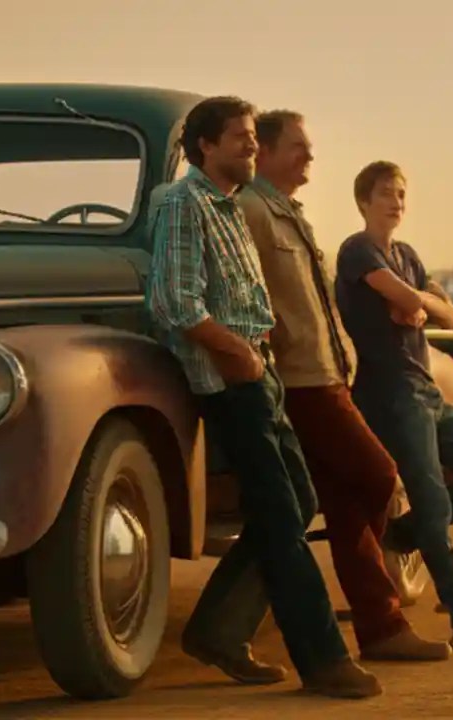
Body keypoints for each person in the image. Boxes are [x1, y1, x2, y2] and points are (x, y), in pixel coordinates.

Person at [144, 95, 381, 699]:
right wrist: (237, 350)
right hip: (228, 383)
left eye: (253, 136)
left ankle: (218, 630)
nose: (252, 146)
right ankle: (324, 661)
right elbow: (174, 302)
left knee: (299, 499)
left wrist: (261, 339)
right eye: (241, 138)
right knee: (280, 517)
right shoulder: (183, 204)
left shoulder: (228, 207)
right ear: (205, 146)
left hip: (260, 373)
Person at [232, 108, 450, 663]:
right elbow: (248, 298)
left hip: (329, 374)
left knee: (344, 505)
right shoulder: (252, 211)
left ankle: (381, 629)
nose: (309, 156)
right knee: (379, 479)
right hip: (301, 381)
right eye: (298, 147)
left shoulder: (289, 213)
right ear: (269, 152)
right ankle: (363, 615)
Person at [333, 160, 453, 651]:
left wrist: (415, 300)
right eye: (386, 194)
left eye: (400, 193)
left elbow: (447, 311)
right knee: (433, 498)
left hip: (425, 390)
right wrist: (412, 299)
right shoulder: (358, 251)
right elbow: (401, 297)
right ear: (363, 202)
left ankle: (401, 535)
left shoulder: (406, 255)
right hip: (390, 392)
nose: (396, 202)